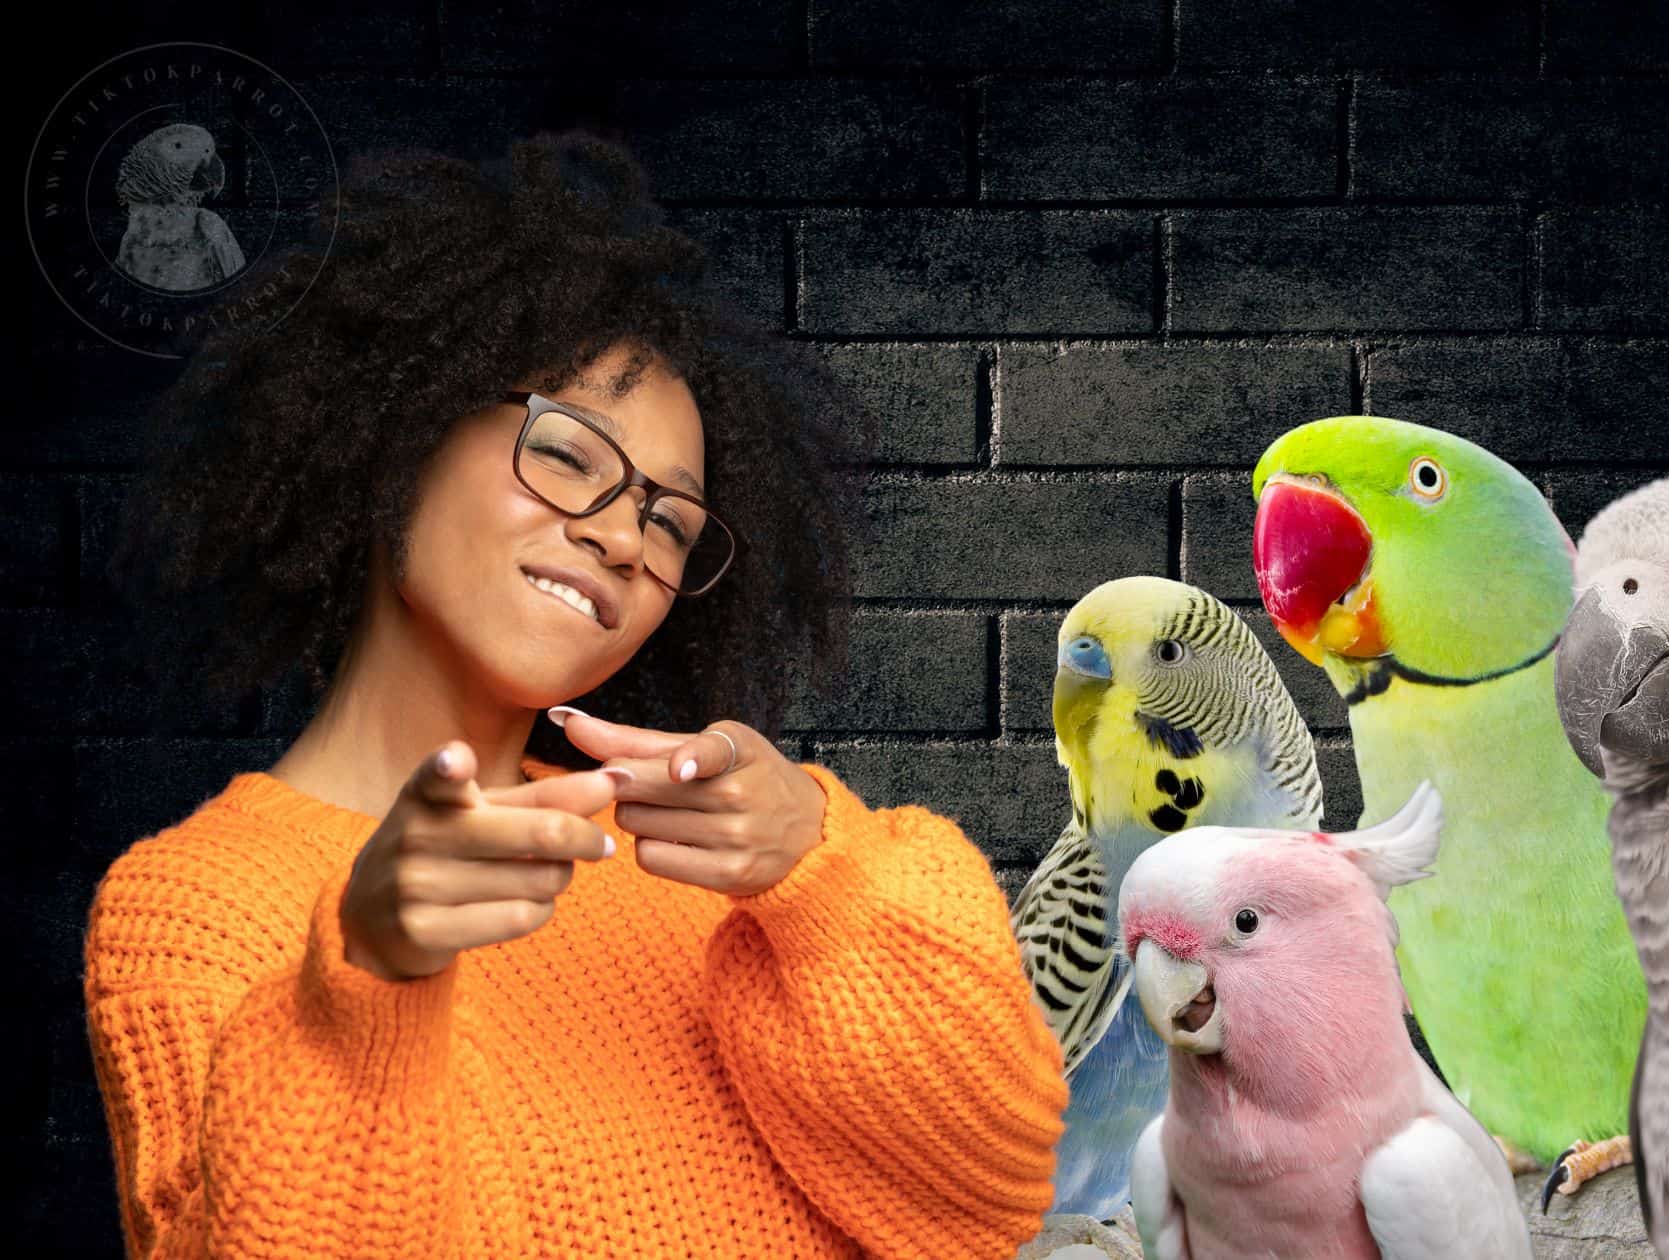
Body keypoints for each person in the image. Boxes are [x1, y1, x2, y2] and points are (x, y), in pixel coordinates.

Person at [83, 132, 1066, 1259]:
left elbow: (986, 1207)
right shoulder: (193, 908)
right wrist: (368, 986)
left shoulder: (716, 870)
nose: (620, 537)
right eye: (567, 455)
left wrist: (825, 877)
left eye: (668, 521)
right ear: (401, 431)